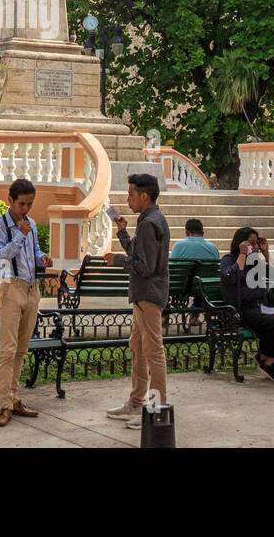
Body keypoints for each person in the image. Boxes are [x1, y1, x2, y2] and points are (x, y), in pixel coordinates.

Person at [103, 173, 170, 430]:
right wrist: (122, 232)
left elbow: (145, 266)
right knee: (138, 348)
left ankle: (156, 411)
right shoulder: (148, 220)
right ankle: (136, 402)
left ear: (144, 196)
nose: (127, 199)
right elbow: (140, 255)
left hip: (149, 295)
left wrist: (117, 260)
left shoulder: (150, 222)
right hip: (144, 296)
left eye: (131, 194)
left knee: (154, 353)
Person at [0, 178, 52, 427]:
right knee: (8, 350)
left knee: (22, 350)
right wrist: (19, 237)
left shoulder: (31, 224)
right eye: (22, 204)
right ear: (10, 200)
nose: (26, 209)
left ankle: (14, 399)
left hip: (31, 287)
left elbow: (33, 251)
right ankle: (4, 405)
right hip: (9, 286)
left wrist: (42, 257)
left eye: (30, 204)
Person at [220, 227, 274, 381]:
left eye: (256, 243)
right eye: (250, 243)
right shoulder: (229, 259)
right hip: (242, 309)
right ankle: (267, 362)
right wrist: (241, 254)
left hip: (261, 306)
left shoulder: (256, 261)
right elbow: (231, 278)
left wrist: (266, 254)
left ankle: (267, 359)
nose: (254, 247)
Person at [170, 219, 220, 328]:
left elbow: (171, 268)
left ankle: (164, 315)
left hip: (179, 287)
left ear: (187, 232)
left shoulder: (178, 246)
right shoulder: (213, 248)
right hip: (203, 287)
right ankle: (194, 315)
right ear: (203, 233)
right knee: (200, 282)